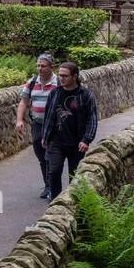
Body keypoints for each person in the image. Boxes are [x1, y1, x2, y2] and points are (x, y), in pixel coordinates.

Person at [42, 60, 99, 199]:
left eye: (65, 76)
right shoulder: (55, 93)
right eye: (60, 75)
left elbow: (92, 118)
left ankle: (72, 202)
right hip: (56, 141)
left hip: (77, 143)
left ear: (74, 76)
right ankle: (55, 201)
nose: (61, 78)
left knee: (74, 175)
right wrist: (45, 136)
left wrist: (86, 140)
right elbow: (48, 115)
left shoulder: (85, 95)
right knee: (54, 172)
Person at [15, 53, 59, 198]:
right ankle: (48, 185)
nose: (39, 68)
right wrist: (19, 120)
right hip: (37, 124)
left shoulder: (58, 82)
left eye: (43, 66)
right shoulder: (33, 82)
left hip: (54, 126)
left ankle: (52, 186)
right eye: (38, 65)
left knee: (49, 155)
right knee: (41, 155)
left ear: (51, 67)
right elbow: (23, 101)